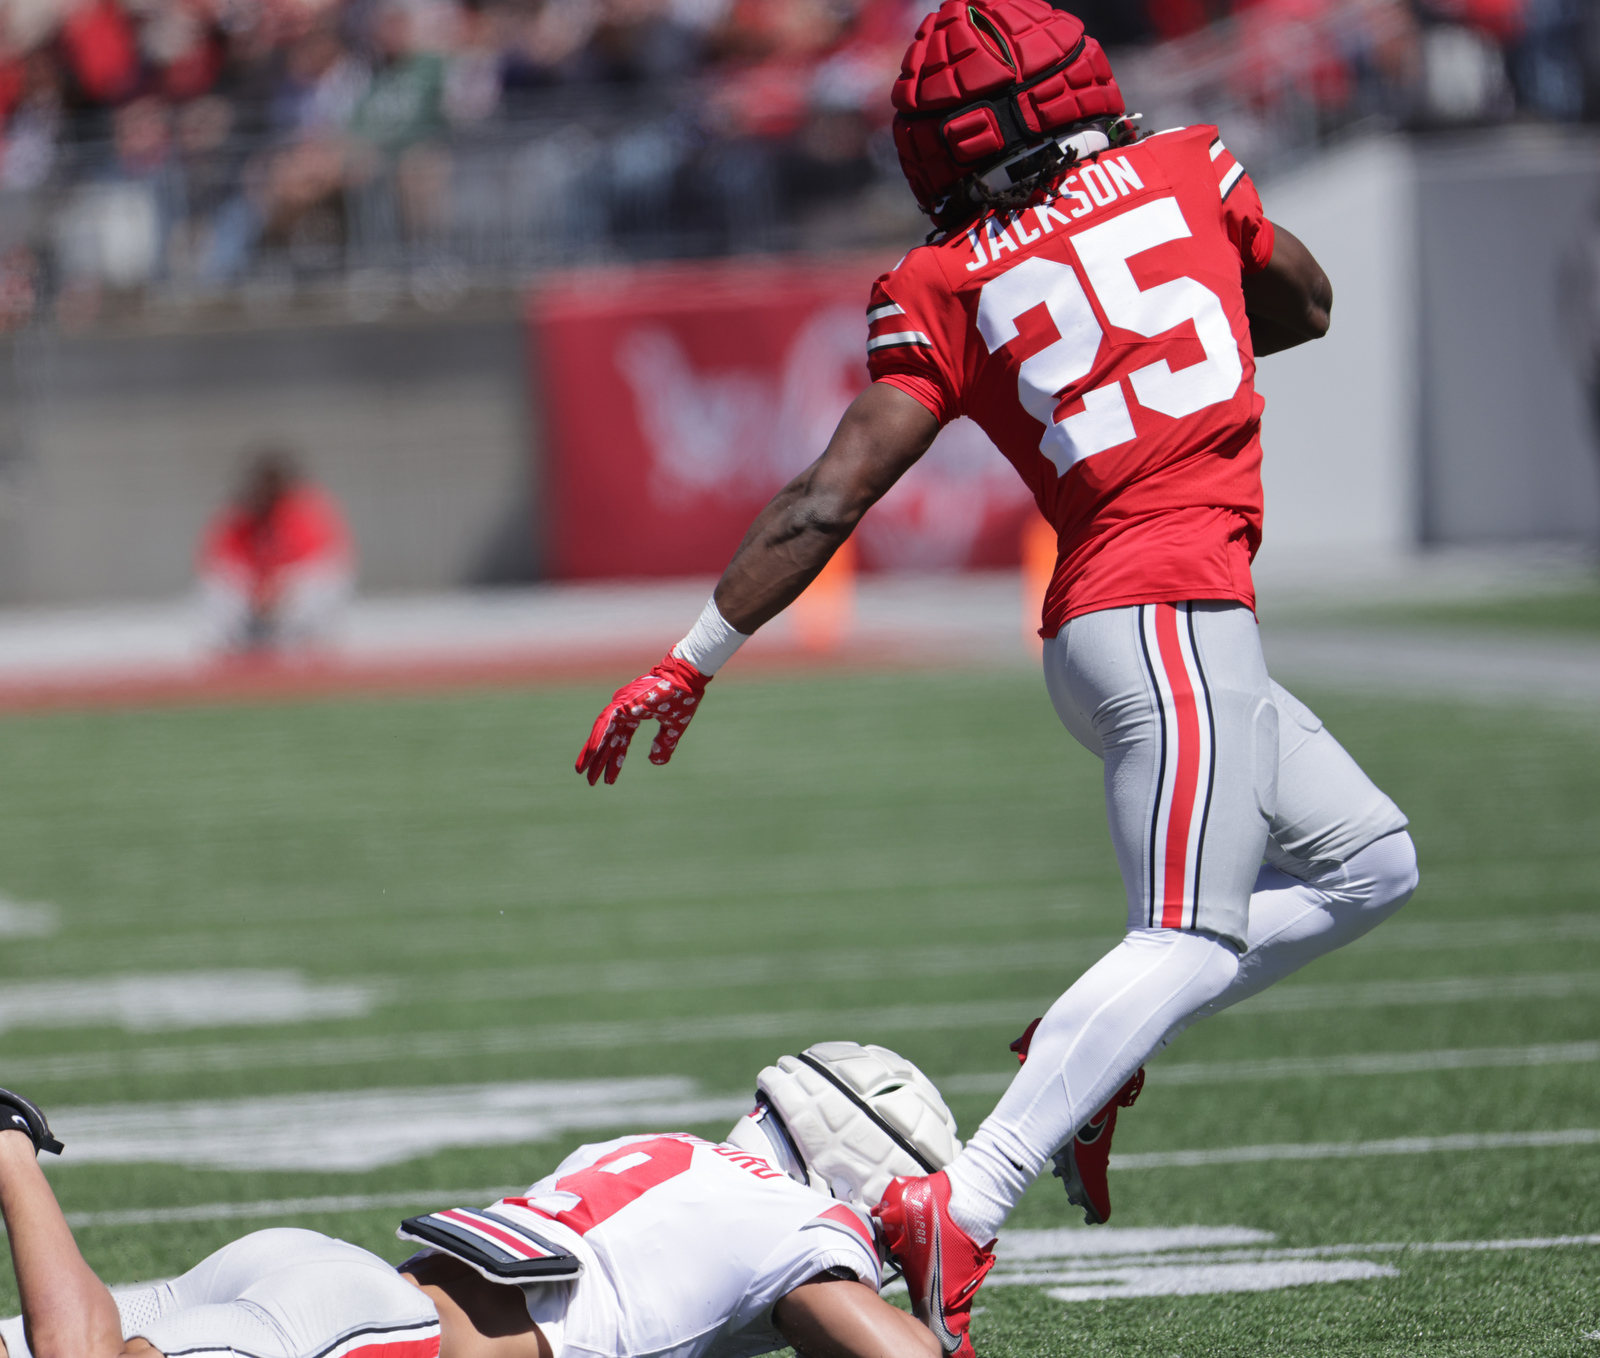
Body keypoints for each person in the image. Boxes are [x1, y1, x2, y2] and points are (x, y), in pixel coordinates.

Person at [574, 2, 1421, 1353]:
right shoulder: (1189, 165)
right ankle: (964, 1197)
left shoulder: (940, 279)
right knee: (1185, 934)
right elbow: (1304, 306)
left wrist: (691, 658)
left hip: (1119, 628)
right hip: (1172, 612)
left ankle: (1092, 1043)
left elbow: (829, 492)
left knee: (1368, 861)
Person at [0, 1042, 958, 1358]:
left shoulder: (669, 1154)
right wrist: (939, 1305)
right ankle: (10, 1144)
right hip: (378, 1328)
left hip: (330, 1282)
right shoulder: (799, 1221)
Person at [197, 449, 354, 654]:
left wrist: (278, 588)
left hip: (293, 598)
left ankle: (309, 645)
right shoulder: (239, 515)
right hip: (251, 598)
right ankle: (230, 649)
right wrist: (253, 590)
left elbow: (321, 564)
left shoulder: (305, 509)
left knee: (317, 588)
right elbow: (220, 563)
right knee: (216, 593)